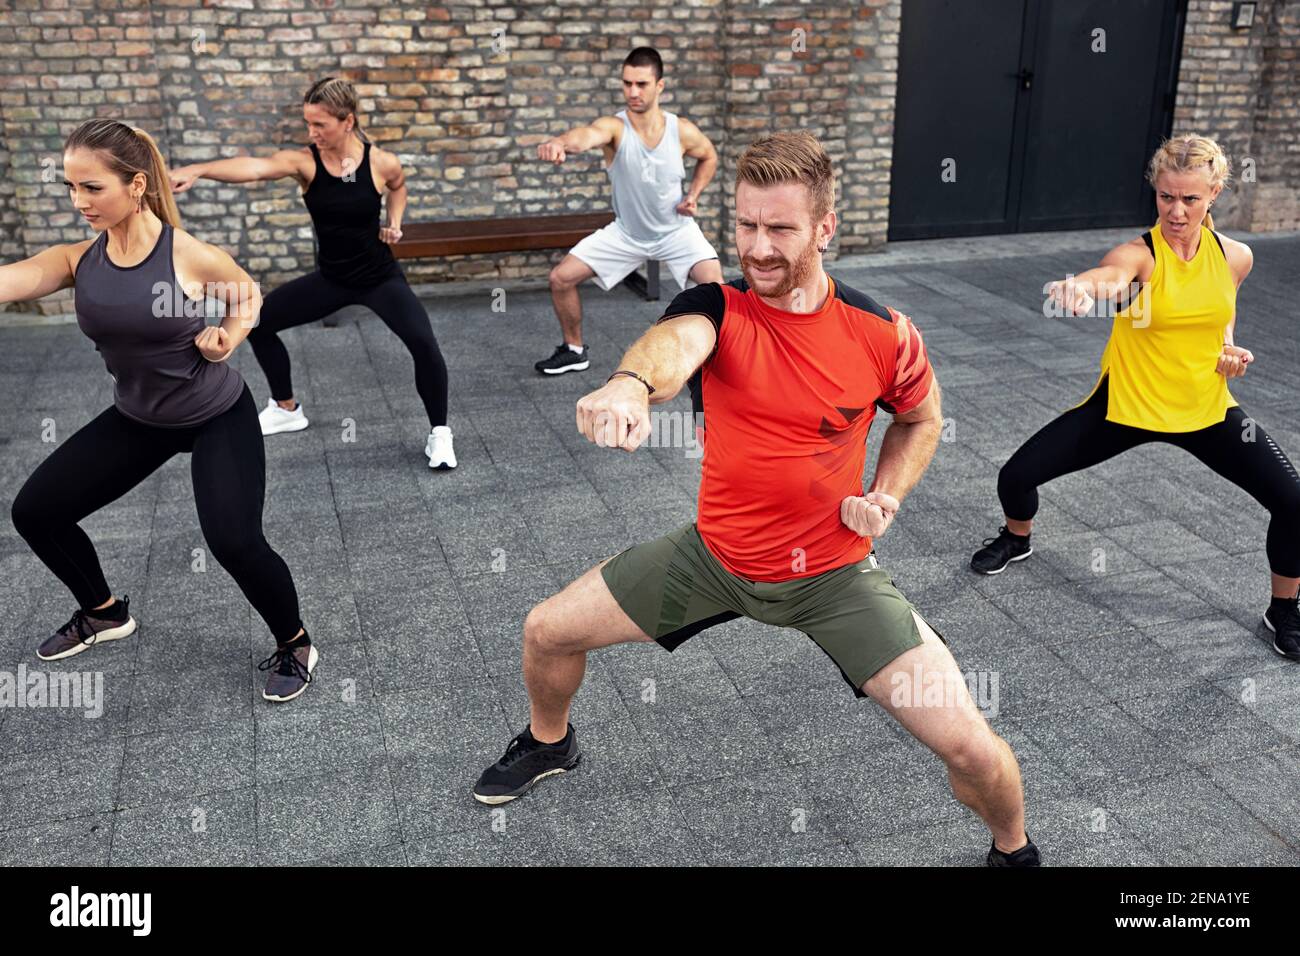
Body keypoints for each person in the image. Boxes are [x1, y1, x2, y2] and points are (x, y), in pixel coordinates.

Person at [475, 131, 1040, 867]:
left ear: (825, 228)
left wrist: (888, 492)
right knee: (547, 630)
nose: (760, 247)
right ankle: (551, 744)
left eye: (781, 228)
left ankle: (1014, 850)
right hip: (714, 558)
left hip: (833, 577)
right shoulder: (719, 305)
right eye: (745, 226)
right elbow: (674, 345)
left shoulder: (882, 333)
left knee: (974, 749)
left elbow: (922, 416)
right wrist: (629, 384)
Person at [6, 119, 318, 702]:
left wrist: (228, 337)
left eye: (92, 188)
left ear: (137, 185)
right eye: (71, 188)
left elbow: (247, 293)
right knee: (36, 511)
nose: (79, 202)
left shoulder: (187, 256)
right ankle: (102, 613)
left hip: (215, 412)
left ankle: (295, 641)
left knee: (233, 540)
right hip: (139, 419)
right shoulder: (79, 261)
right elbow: (13, 280)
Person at [970, 134, 1300, 661]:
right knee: (1014, 476)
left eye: (1190, 199)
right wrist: (1081, 285)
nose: (1176, 210)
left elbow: (1221, 312)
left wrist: (1228, 348)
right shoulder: (1139, 255)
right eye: (1166, 196)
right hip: (1125, 407)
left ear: (1214, 193)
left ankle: (1284, 609)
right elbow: (1110, 277)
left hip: (1205, 410)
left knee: (1294, 501)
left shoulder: (1235, 257)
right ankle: (1017, 536)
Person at [170, 77, 456, 469]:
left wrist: (395, 219)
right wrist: (200, 169)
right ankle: (286, 408)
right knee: (256, 321)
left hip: (380, 279)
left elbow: (398, 185)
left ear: (348, 121)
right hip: (332, 280)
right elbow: (256, 167)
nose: (312, 133)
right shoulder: (305, 162)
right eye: (308, 124)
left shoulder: (379, 161)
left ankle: (440, 435)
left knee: (425, 346)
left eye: (320, 124)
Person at [532, 46, 724, 376]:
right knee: (560, 278)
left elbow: (709, 156)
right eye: (627, 84)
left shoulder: (681, 131)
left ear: (659, 86)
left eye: (641, 84)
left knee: (715, 287)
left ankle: (715, 356)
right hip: (626, 234)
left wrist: (693, 194)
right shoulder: (615, 128)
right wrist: (560, 143)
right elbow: (586, 136)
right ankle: (574, 350)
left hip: (675, 231)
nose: (632, 92)